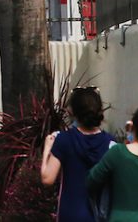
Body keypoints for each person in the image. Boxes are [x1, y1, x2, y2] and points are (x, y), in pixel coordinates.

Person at [40, 87, 115, 222]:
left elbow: (47, 179)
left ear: (71, 112)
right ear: (100, 111)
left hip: (69, 213)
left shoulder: (63, 140)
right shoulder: (111, 144)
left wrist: (46, 149)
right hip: (99, 215)